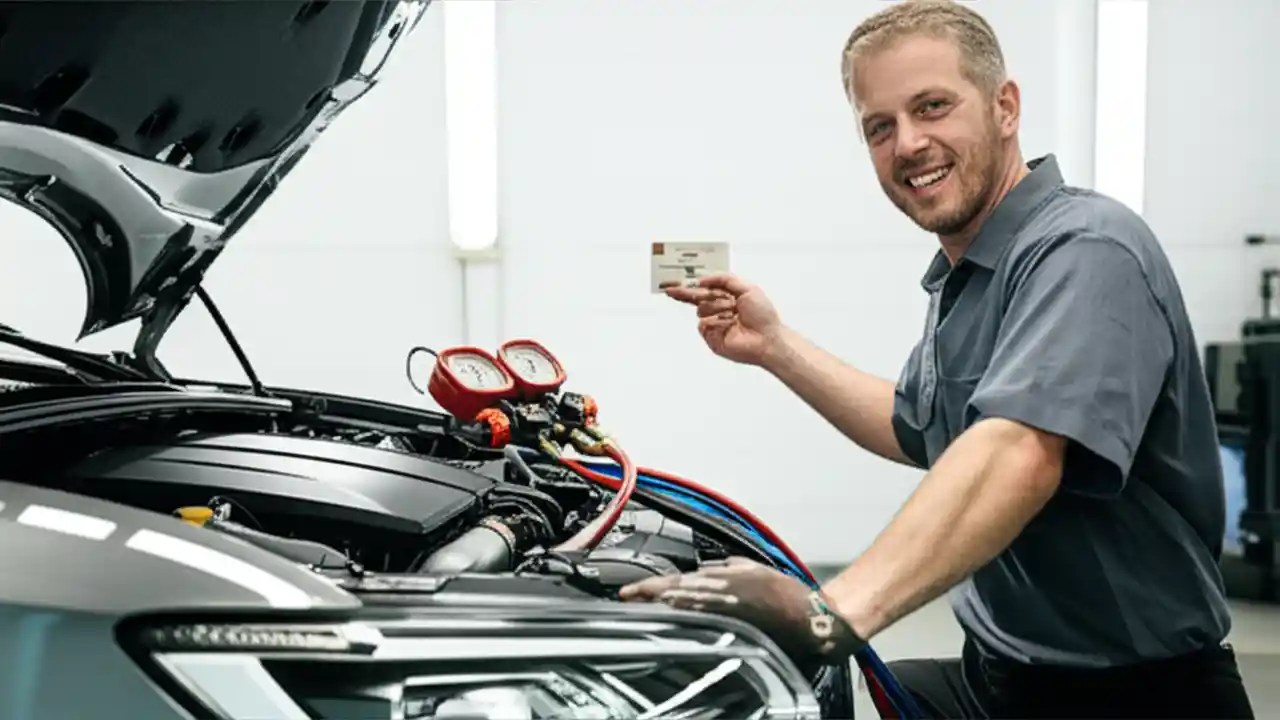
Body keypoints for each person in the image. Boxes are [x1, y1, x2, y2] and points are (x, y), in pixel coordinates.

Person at [618, 0, 1256, 717]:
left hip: (1133, 697)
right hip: (1000, 676)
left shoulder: (1087, 248)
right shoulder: (968, 275)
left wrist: (830, 615)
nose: (909, 143)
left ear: (1005, 107)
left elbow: (1018, 451)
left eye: (933, 107)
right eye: (879, 127)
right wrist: (773, 345)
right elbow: (916, 426)